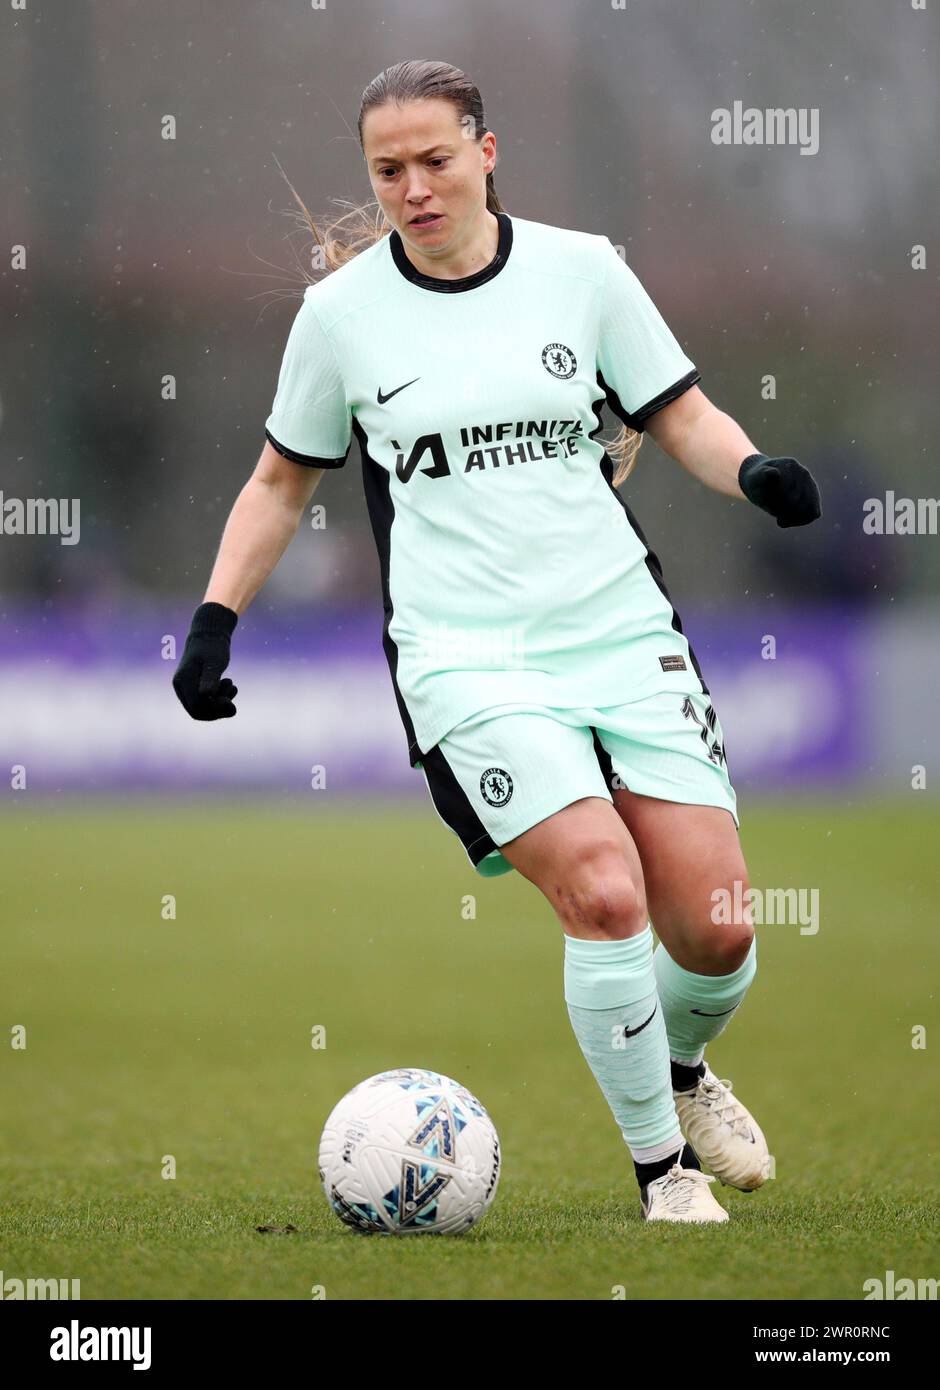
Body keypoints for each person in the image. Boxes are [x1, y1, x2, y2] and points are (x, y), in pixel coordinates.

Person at [173, 60, 821, 1223]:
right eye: (387, 171)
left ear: (486, 150)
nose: (413, 188)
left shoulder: (584, 270)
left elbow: (678, 412)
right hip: (465, 658)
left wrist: (753, 470)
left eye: (433, 159)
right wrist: (215, 619)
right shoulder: (342, 315)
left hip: (620, 630)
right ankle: (661, 1174)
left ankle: (679, 1069)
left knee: (717, 927)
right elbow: (279, 482)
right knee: (604, 892)